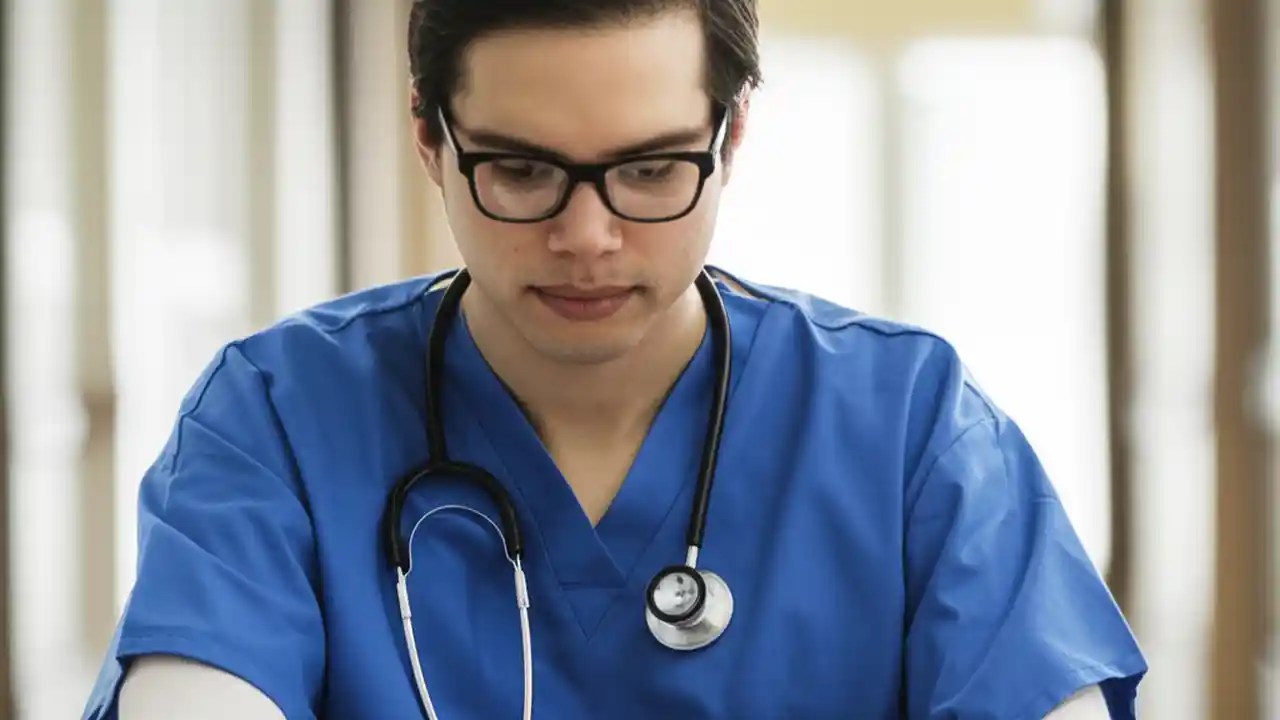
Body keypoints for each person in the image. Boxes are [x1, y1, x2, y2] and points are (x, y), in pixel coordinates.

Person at [82, 1, 1147, 718]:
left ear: (728, 138)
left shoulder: (909, 427)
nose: (586, 235)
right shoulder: (276, 417)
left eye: (647, 168)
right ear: (427, 135)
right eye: (519, 168)